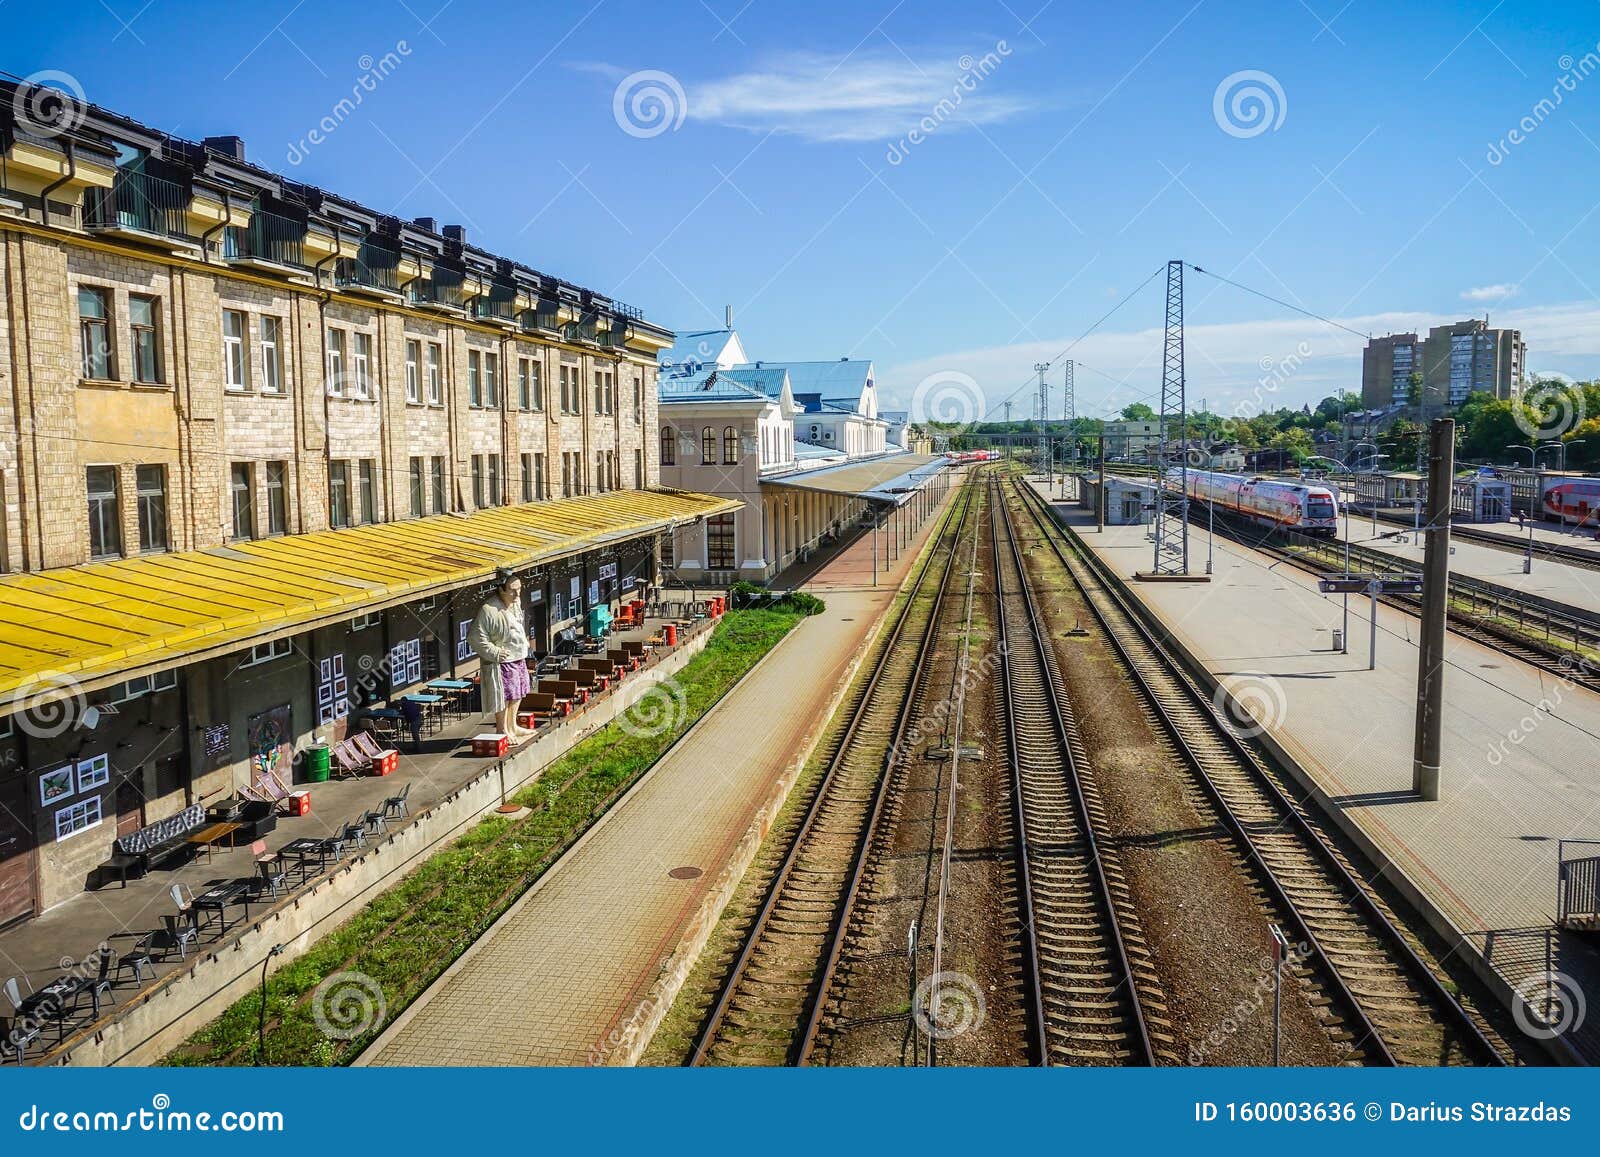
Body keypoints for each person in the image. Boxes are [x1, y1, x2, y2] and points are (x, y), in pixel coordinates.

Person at [467, 568, 536, 744]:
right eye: (513, 590)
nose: (517, 593)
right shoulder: (489, 609)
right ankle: (502, 728)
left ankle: (512, 725)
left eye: (519, 589)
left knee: (518, 693)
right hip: (503, 659)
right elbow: (475, 637)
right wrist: (494, 652)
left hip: (518, 656)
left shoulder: (516, 604)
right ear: (501, 589)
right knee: (505, 695)